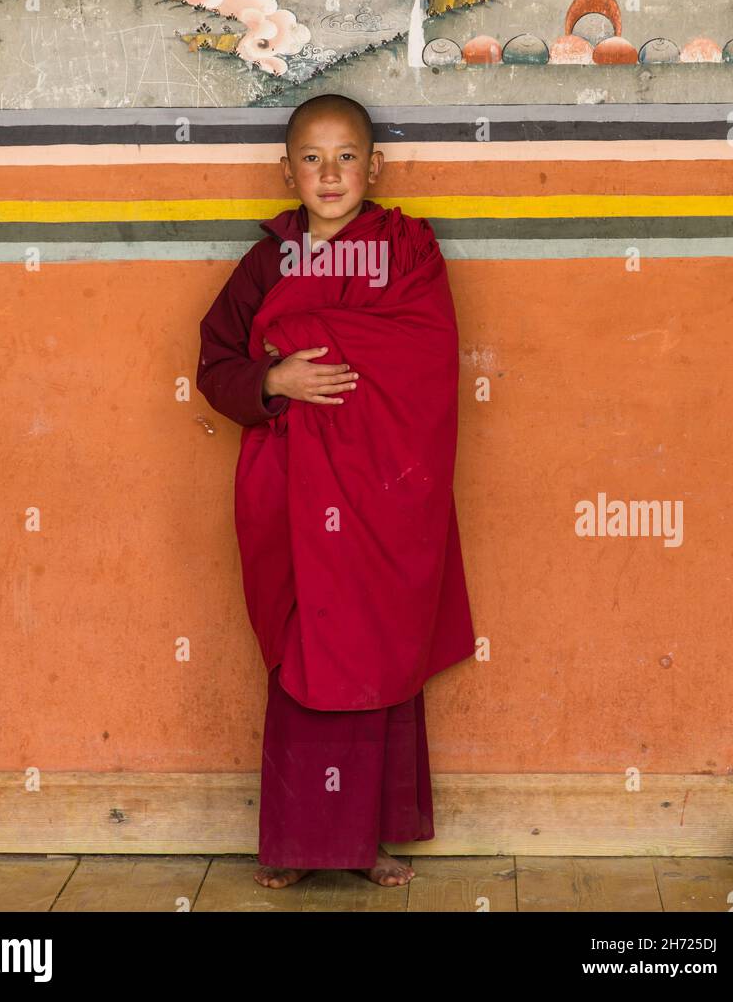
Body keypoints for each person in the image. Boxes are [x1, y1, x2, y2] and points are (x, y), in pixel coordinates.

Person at [195, 93, 476, 888]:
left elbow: (427, 353)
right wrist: (273, 377)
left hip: (379, 492)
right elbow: (215, 365)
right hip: (289, 490)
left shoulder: (407, 252)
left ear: (374, 167)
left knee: (374, 652)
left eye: (346, 156)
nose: (330, 173)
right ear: (286, 171)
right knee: (303, 656)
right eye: (312, 159)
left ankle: (366, 842)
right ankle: (296, 843)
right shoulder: (267, 263)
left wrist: (325, 341)